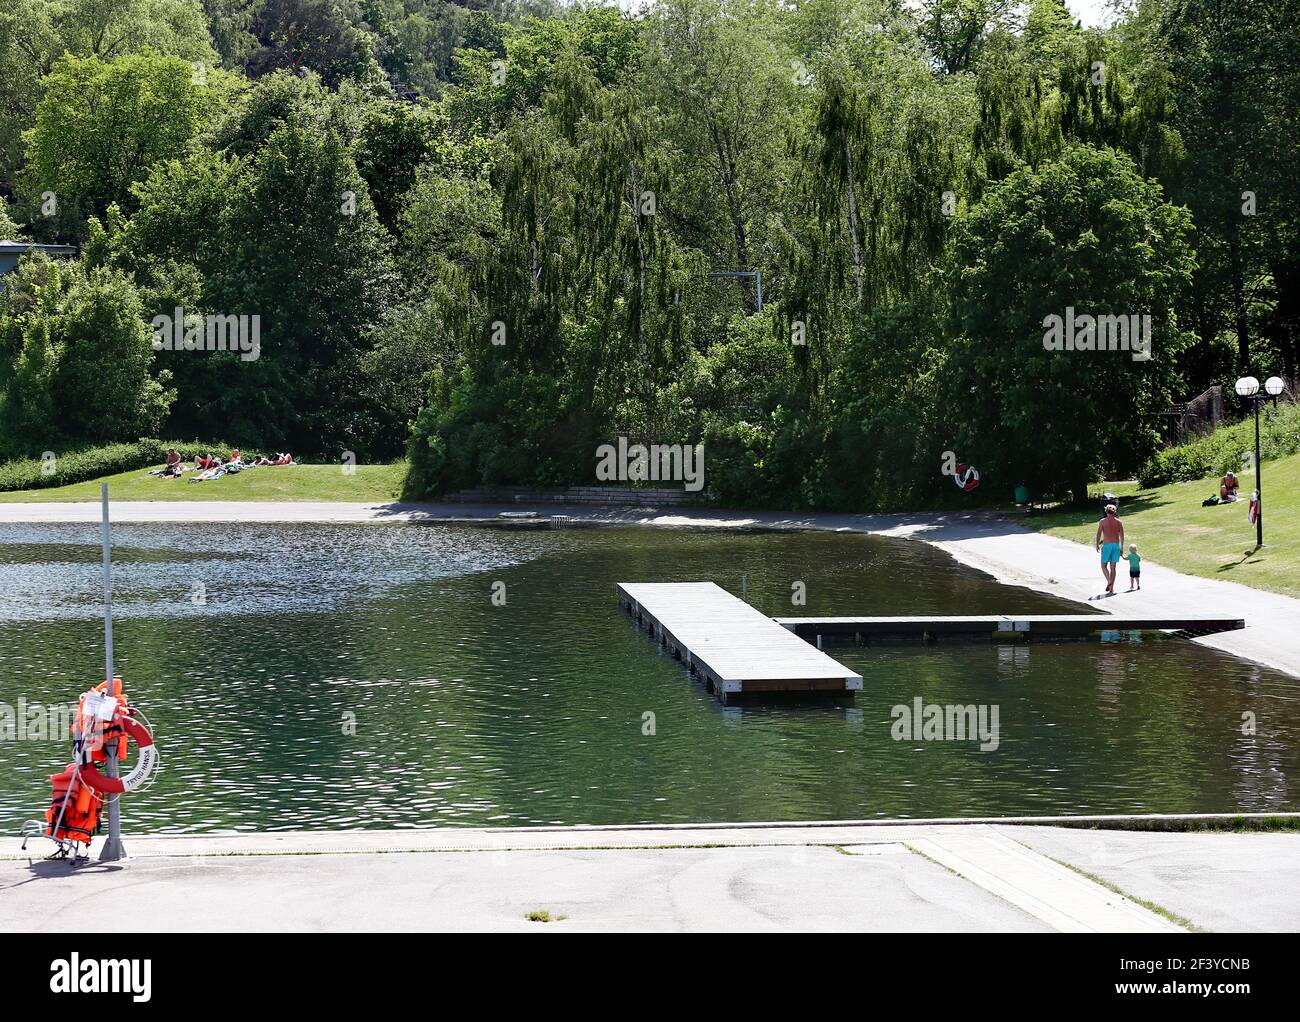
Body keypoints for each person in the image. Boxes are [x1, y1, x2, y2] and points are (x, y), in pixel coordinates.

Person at [1094, 504, 1125, 595]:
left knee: (1103, 566)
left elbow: (1099, 534)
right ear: (1115, 511)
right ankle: (1111, 587)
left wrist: (1097, 544)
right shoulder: (1119, 522)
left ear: (1106, 511)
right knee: (1113, 567)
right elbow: (1122, 536)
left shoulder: (1102, 521)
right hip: (1115, 546)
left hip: (1107, 545)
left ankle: (1109, 582)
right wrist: (1121, 548)